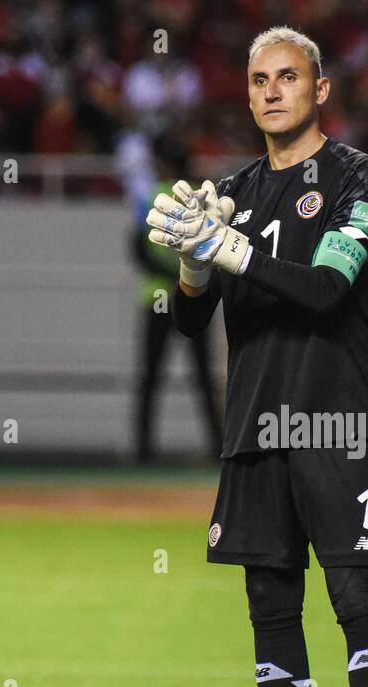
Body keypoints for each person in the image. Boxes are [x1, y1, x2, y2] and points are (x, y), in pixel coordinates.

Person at [145, 26, 368, 687]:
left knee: (356, 595)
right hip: (253, 423)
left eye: (289, 76)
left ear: (320, 89)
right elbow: (192, 327)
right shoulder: (236, 190)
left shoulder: (360, 178)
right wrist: (192, 268)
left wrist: (231, 249)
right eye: (259, 79)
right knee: (269, 603)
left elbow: (328, 288)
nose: (272, 90)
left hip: (336, 420)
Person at [130, 135, 222, 462]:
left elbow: (137, 250)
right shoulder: (201, 195)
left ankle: (143, 450)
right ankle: (218, 447)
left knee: (151, 375)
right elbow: (214, 250)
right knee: (203, 377)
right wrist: (188, 279)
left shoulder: (150, 195)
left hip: (157, 296)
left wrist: (170, 277)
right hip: (193, 296)